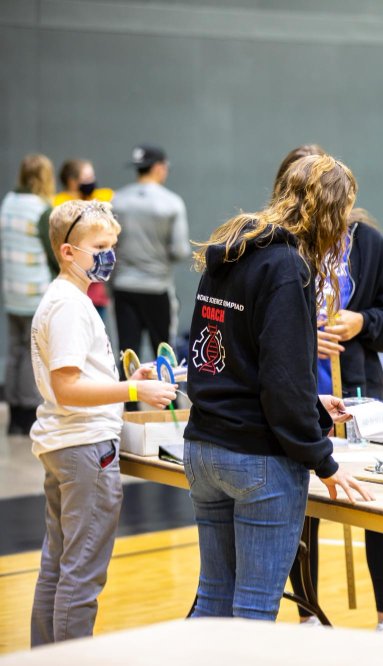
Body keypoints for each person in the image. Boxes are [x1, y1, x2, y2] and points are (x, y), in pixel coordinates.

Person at [183, 153, 373, 621]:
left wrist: (309, 402)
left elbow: (236, 362)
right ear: (329, 213)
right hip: (257, 461)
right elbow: (282, 386)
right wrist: (323, 461)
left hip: (204, 447)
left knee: (212, 601)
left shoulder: (231, 250)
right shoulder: (287, 267)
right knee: (252, 611)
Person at [273, 145, 383, 633]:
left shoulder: (367, 243)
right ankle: (307, 612)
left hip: (358, 398)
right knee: (298, 510)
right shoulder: (279, 250)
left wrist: (363, 321)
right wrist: (300, 334)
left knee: (378, 503)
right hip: (301, 397)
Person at [29, 200, 176, 645]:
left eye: (113, 245)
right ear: (67, 251)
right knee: (81, 576)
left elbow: (79, 380)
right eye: (99, 246)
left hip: (66, 447)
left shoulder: (67, 300)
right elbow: (69, 389)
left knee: (58, 566)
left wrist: (125, 380)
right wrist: (134, 393)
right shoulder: (71, 307)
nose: (109, 255)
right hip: (85, 450)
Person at [110, 144, 189, 366]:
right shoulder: (171, 203)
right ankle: (167, 401)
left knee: (127, 352)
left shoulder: (118, 200)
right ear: (158, 167)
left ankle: (130, 401)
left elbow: (110, 244)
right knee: (163, 351)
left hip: (124, 287)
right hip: (157, 288)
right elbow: (180, 250)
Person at [1, 154, 56, 434]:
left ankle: (13, 416)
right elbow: (52, 253)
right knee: (34, 354)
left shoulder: (8, 202)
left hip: (12, 292)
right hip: (35, 293)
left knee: (14, 351)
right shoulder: (41, 209)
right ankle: (28, 413)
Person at [42, 159, 116, 321]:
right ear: (72, 181)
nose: (92, 181)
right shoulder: (60, 204)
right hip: (74, 275)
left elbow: (111, 196)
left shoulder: (99, 198)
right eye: (87, 177)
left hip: (96, 286)